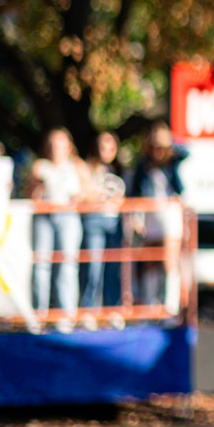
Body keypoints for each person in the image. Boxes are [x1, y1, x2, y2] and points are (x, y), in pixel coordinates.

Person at [125, 121, 187, 315]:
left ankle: (170, 308)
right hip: (151, 216)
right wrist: (136, 218)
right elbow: (134, 193)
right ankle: (150, 307)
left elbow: (187, 151)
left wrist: (169, 142)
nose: (159, 149)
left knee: (169, 260)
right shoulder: (143, 166)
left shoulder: (173, 162)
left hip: (170, 215)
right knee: (151, 262)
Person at [29, 128, 88, 328]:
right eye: (52, 144)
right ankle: (40, 315)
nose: (56, 148)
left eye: (60, 143)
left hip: (68, 217)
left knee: (67, 266)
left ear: (68, 146)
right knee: (41, 266)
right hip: (44, 216)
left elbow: (90, 192)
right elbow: (28, 193)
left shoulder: (77, 166)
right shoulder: (40, 166)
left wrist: (79, 196)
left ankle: (65, 317)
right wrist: (38, 188)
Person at [81, 129, 126, 313]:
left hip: (115, 223)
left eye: (110, 147)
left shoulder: (121, 170)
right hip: (94, 222)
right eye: (102, 146)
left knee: (113, 271)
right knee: (93, 269)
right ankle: (88, 310)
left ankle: (111, 311)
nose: (106, 151)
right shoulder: (87, 168)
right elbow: (84, 195)